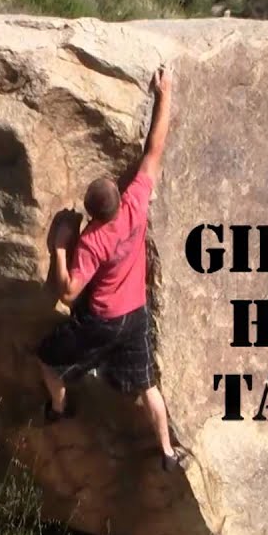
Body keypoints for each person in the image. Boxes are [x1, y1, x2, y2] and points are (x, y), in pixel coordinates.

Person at [37, 67, 182, 473]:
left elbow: (67, 293)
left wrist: (60, 248)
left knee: (48, 361)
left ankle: (60, 407)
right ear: (117, 197)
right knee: (148, 385)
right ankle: (167, 452)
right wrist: (165, 91)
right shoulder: (135, 203)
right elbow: (155, 148)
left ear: (91, 214)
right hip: (135, 314)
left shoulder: (92, 241)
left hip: (101, 320)